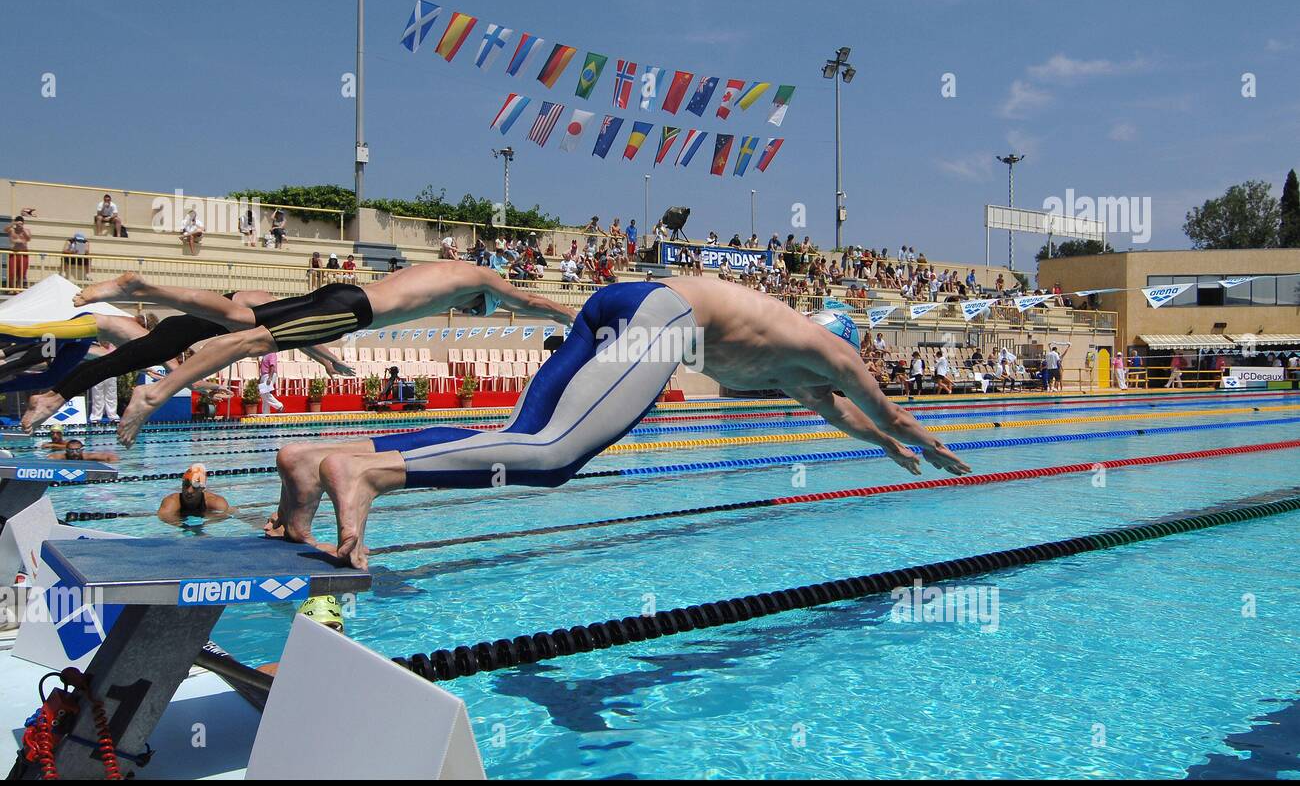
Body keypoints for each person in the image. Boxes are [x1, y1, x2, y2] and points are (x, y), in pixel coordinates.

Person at [267, 278, 971, 566]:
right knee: (551, 457)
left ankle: (316, 457)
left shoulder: (790, 362)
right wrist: (928, 445)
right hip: (659, 315)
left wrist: (883, 447)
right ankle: (367, 477)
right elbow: (885, 404)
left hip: (618, 301)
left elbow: (848, 416)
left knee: (518, 431)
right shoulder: (832, 350)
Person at [68, 262, 578, 445]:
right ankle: (154, 394)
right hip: (354, 311)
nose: (469, 315)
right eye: (476, 312)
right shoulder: (485, 281)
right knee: (244, 341)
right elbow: (530, 300)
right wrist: (567, 315)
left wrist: (327, 359)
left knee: (239, 318)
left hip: (342, 293)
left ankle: (144, 287)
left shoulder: (447, 271)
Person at [16, 290, 353, 432]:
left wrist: (325, 361)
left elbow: (296, 335)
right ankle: (51, 398)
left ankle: (50, 397)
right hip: (178, 332)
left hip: (181, 334)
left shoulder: (275, 308)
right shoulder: (264, 301)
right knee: (112, 364)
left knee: (117, 363)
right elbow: (296, 333)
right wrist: (325, 356)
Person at [157, 463, 230, 525]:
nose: (189, 491)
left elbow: (226, 515)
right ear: (182, 485)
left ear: (202, 488)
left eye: (195, 487)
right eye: (186, 485)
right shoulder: (172, 501)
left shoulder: (216, 502)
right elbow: (163, 516)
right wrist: (184, 527)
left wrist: (205, 524)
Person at [87, 343, 120, 423]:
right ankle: (96, 417)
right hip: (97, 372)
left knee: (111, 395)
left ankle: (113, 416)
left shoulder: (114, 346)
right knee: (97, 395)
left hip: (111, 373)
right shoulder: (94, 347)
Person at [4, 212, 32, 290]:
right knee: (12, 272)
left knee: (22, 272)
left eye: (21, 224)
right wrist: (13, 223)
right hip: (14, 253)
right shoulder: (12, 230)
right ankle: (12, 288)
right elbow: (5, 229)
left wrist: (23, 230)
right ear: (16, 223)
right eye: (18, 223)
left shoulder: (26, 230)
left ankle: (18, 288)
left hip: (23, 253)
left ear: (23, 223)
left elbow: (29, 238)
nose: (20, 225)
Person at [47, 438, 119, 463]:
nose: (74, 453)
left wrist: (113, 464)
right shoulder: (61, 457)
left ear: (82, 450)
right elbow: (50, 458)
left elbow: (112, 457)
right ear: (66, 451)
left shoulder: (87, 457)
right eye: (71, 451)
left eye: (77, 450)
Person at [259, 349, 284, 413]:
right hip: (264, 375)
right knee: (263, 395)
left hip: (268, 375)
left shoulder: (272, 354)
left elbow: (272, 366)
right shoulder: (265, 355)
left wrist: (270, 378)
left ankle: (279, 406)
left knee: (265, 393)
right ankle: (266, 413)